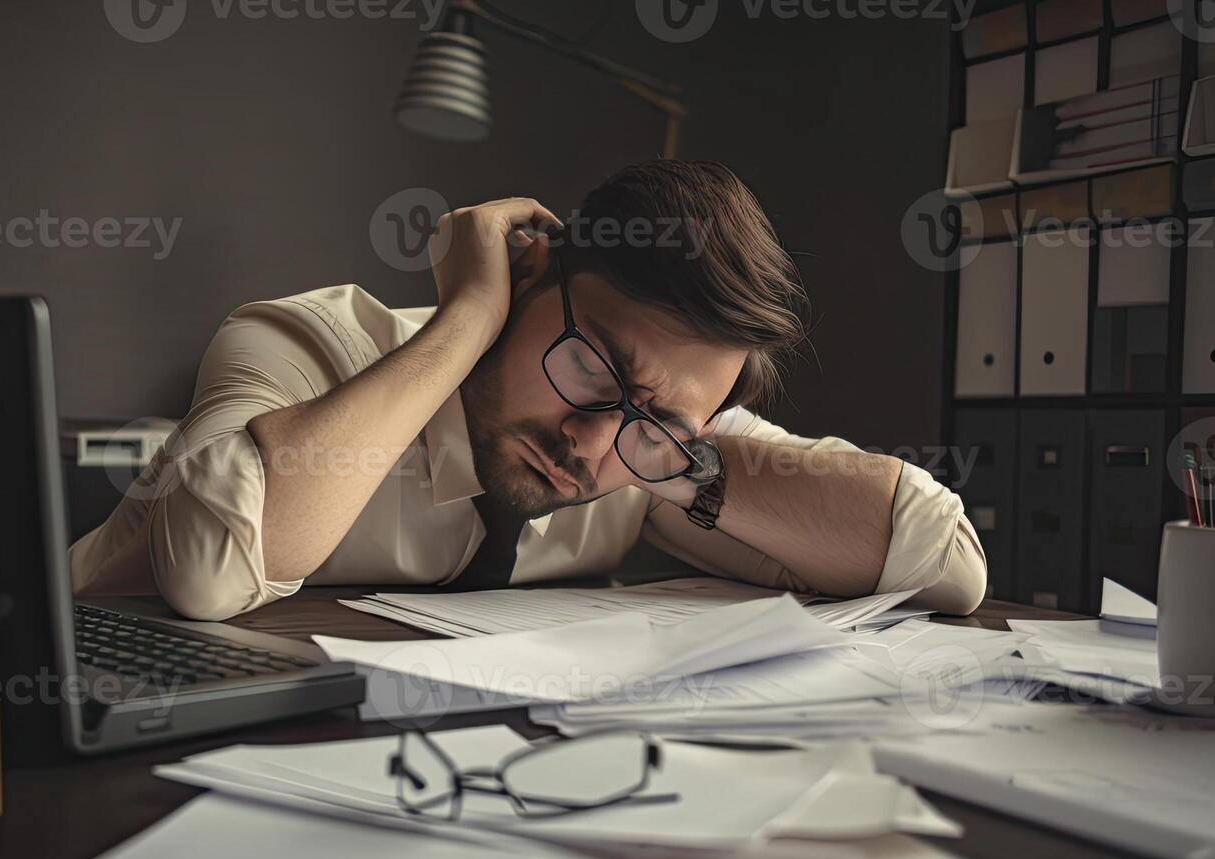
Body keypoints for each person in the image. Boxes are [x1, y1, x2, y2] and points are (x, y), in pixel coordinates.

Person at [70, 160, 986, 621]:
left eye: (655, 420)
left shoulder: (642, 458)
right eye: (593, 366)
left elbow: (948, 563)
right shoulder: (302, 344)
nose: (587, 443)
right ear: (532, 275)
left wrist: (669, 450)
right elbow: (202, 569)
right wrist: (467, 316)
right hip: (69, 699)